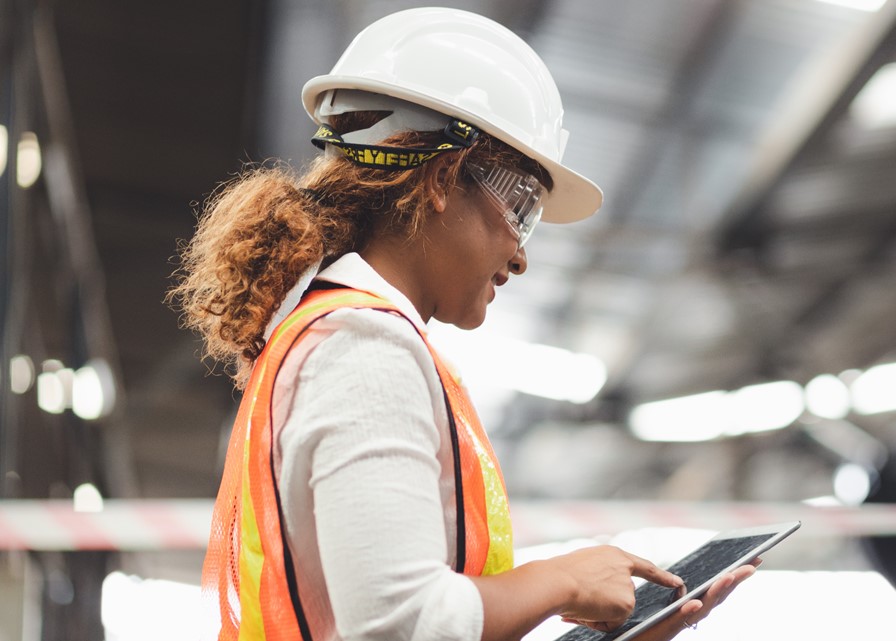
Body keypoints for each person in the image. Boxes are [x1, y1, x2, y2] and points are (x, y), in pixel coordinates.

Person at [170, 7, 756, 641]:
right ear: (444, 177)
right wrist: (561, 580)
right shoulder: (363, 346)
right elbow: (401, 625)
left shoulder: (335, 334)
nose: (523, 254)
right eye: (523, 206)